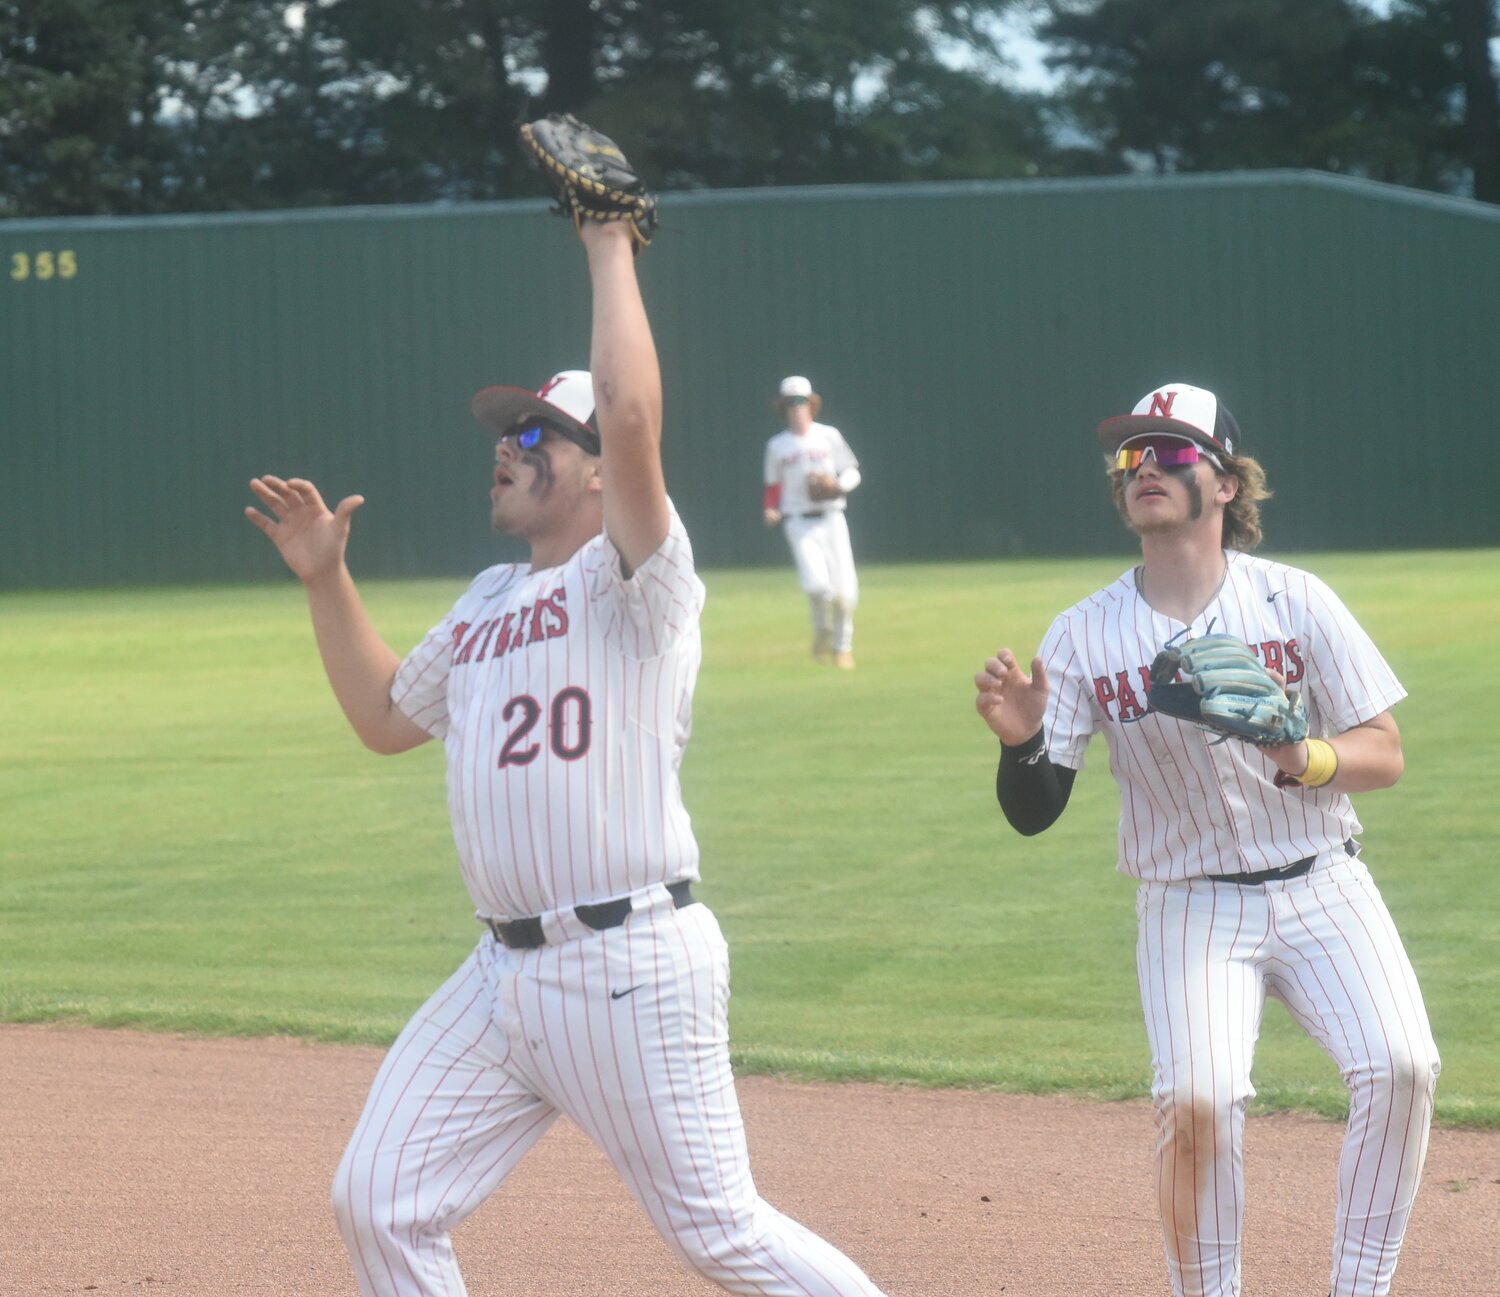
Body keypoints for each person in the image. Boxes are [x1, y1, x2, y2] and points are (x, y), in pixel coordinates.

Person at [246, 218, 890, 1297]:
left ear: (600, 476)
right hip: (497, 975)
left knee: (723, 1234)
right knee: (380, 1196)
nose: (508, 445)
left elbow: (632, 415)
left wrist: (607, 244)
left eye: (539, 434)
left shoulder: (637, 579)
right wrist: (325, 580)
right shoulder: (489, 600)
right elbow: (383, 717)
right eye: (508, 431)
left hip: (625, 963)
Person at [972, 382, 1439, 1297]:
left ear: (1226, 482)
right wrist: (1022, 740)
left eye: (1172, 451)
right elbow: (1034, 809)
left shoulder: (1295, 601)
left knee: (1404, 1065)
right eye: (1130, 454)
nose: (1145, 465)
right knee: (1197, 1100)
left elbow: (1384, 752)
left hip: (1325, 883)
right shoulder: (1081, 634)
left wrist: (1302, 755)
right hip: (1189, 904)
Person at [762, 376, 862, 668]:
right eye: (791, 402)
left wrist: (841, 485)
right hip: (798, 521)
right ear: (783, 407)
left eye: (801, 401)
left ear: (811, 403)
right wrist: (771, 509)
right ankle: (822, 633)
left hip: (832, 517)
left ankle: (842, 648)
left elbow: (853, 470)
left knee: (844, 592)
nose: (797, 407)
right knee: (817, 586)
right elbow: (773, 486)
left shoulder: (829, 436)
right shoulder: (777, 446)